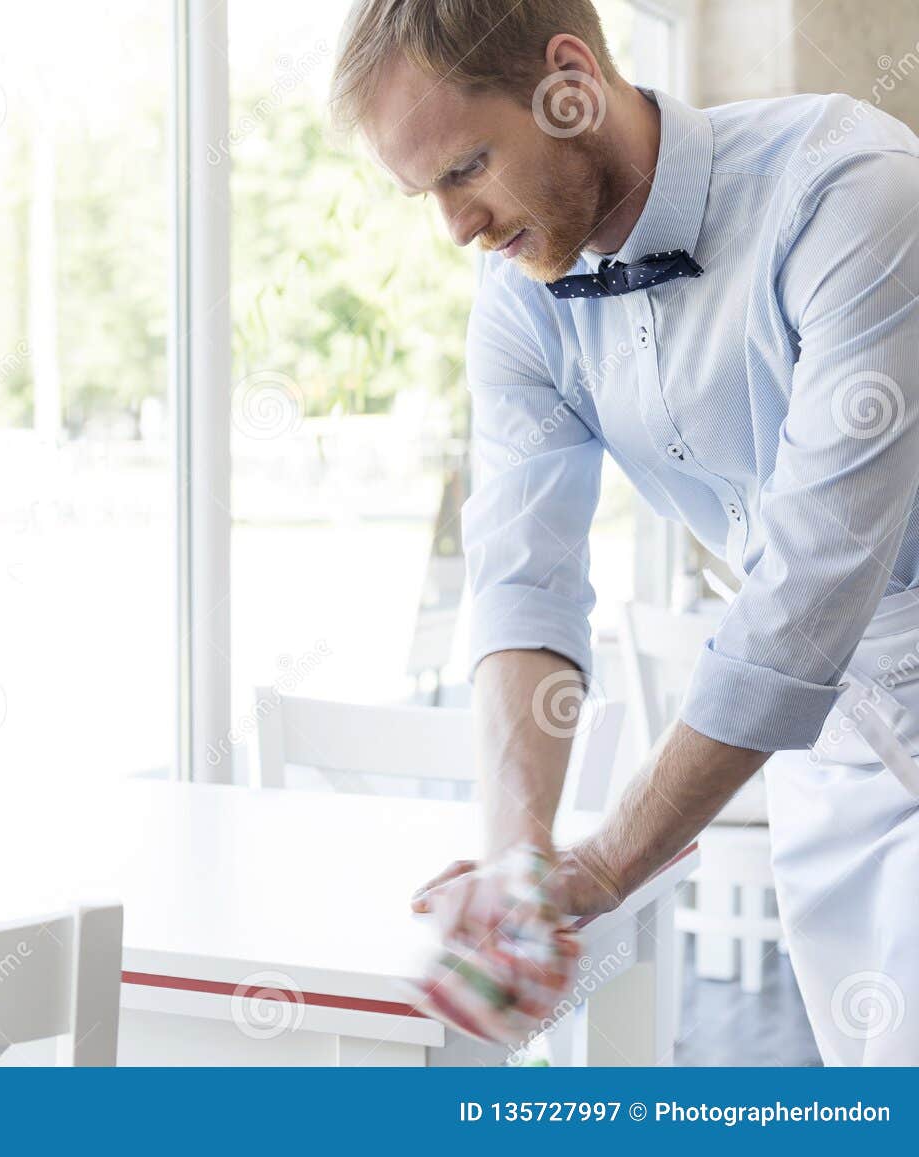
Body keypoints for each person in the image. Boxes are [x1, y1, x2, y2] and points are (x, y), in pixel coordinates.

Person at [329, 0, 919, 1064]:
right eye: (427, 193)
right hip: (822, 747)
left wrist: (604, 863)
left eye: (467, 167)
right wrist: (518, 865)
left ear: (569, 80)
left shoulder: (853, 188)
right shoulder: (519, 292)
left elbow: (809, 588)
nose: (455, 226)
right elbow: (523, 573)